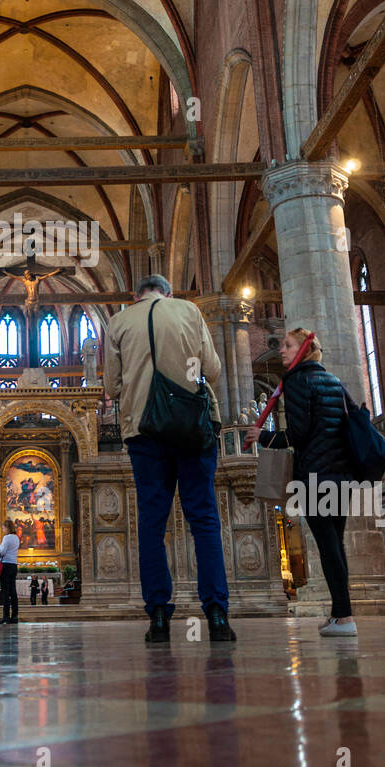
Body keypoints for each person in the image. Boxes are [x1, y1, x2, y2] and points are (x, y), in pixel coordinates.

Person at [103, 273, 234, 645]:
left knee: (151, 522)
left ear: (135, 294)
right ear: (168, 292)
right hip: (193, 427)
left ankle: (159, 614)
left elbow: (111, 386)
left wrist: (138, 379)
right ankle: (217, 614)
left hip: (144, 432)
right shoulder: (189, 311)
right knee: (204, 519)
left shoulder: (119, 321)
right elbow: (212, 369)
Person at [246, 328, 357, 636]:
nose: (281, 350)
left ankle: (345, 617)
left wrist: (263, 436)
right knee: (336, 544)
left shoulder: (297, 381)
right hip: (341, 474)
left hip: (315, 475)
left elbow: (298, 434)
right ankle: (340, 615)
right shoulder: (333, 381)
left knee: (328, 546)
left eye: (288, 345)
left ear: (304, 350)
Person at [0, 519, 20, 625]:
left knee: (5, 592)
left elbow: (2, 552)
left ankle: (6, 617)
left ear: (7, 527)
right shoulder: (16, 538)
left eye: (3, 528)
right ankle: (14, 616)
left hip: (5, 565)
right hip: (14, 565)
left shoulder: (6, 538)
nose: (3, 530)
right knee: (13, 591)